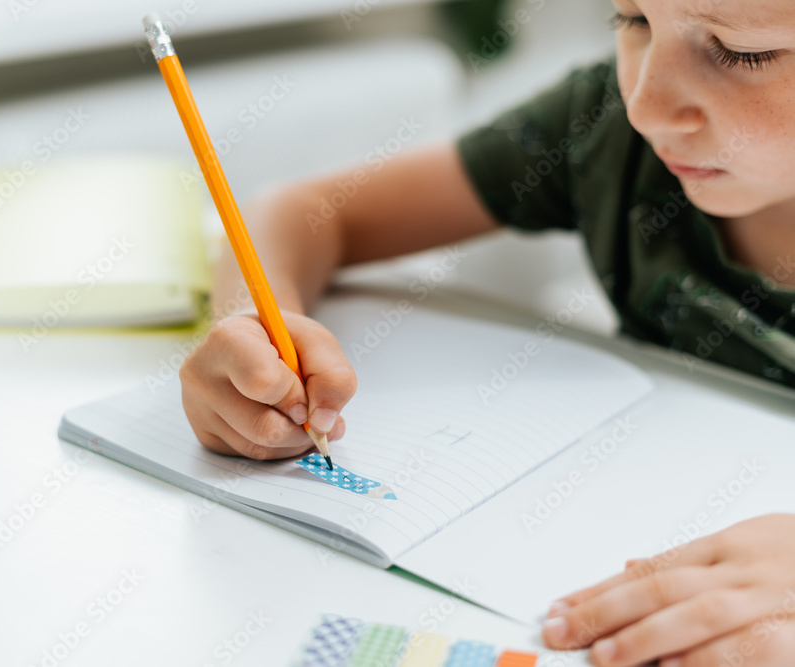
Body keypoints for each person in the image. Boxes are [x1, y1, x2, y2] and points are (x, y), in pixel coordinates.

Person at [178, 0, 795, 664]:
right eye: (632, 20)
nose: (645, 105)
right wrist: (250, 330)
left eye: (743, 53)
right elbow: (306, 211)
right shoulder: (603, 128)